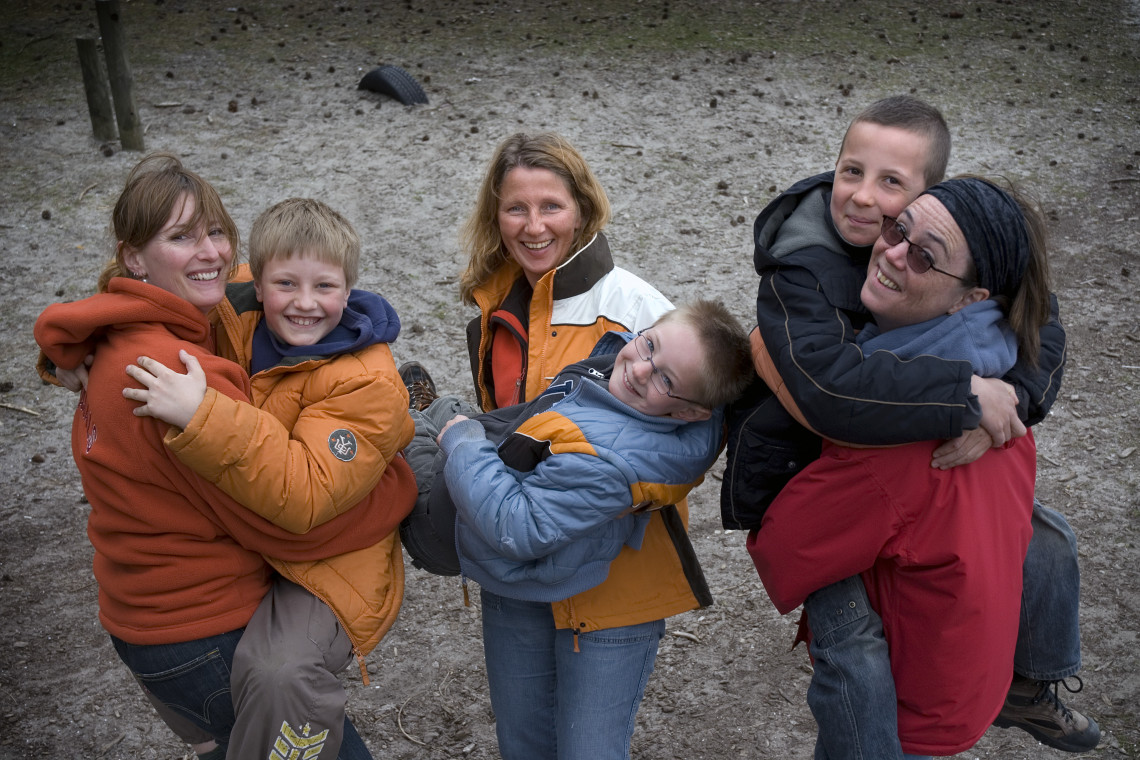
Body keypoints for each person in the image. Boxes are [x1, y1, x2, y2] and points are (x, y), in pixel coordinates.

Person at [722, 95, 1097, 757]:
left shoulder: (960, 238)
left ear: (931, 192)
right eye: (851, 172)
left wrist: (1007, 402)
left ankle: (1029, 682)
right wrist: (963, 395)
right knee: (853, 644)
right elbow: (831, 392)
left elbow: (1038, 320)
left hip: (873, 469)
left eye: (892, 186)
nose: (867, 203)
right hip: (804, 463)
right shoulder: (803, 264)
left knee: (1045, 536)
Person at [33, 154, 411, 760]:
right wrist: (395, 491)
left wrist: (62, 351)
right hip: (205, 631)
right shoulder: (177, 379)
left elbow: (259, 271)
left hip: (146, 616)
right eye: (180, 237)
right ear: (134, 256)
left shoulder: (167, 319)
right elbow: (287, 521)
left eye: (216, 230)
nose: (209, 252)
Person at [401, 132, 720, 760]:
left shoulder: (637, 310)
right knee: (524, 746)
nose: (534, 225)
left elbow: (702, 428)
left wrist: (617, 487)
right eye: (516, 208)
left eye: (551, 206)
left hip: (613, 583)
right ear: (495, 215)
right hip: (516, 567)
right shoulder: (497, 311)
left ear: (584, 208)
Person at [414, 301, 752, 608]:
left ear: (689, 414)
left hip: (442, 522)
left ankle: (417, 413)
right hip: (475, 484)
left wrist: (466, 445)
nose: (639, 370)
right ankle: (434, 410)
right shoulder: (625, 392)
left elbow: (520, 528)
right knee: (451, 409)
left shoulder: (606, 463)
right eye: (649, 345)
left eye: (665, 379)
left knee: (398, 423)